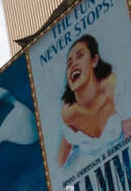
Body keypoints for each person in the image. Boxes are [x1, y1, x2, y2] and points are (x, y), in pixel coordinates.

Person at [55, 34, 131, 167]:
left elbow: (128, 133)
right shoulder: (68, 113)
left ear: (94, 60)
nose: (73, 65)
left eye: (80, 56)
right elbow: (59, 166)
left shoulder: (113, 88)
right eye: (69, 63)